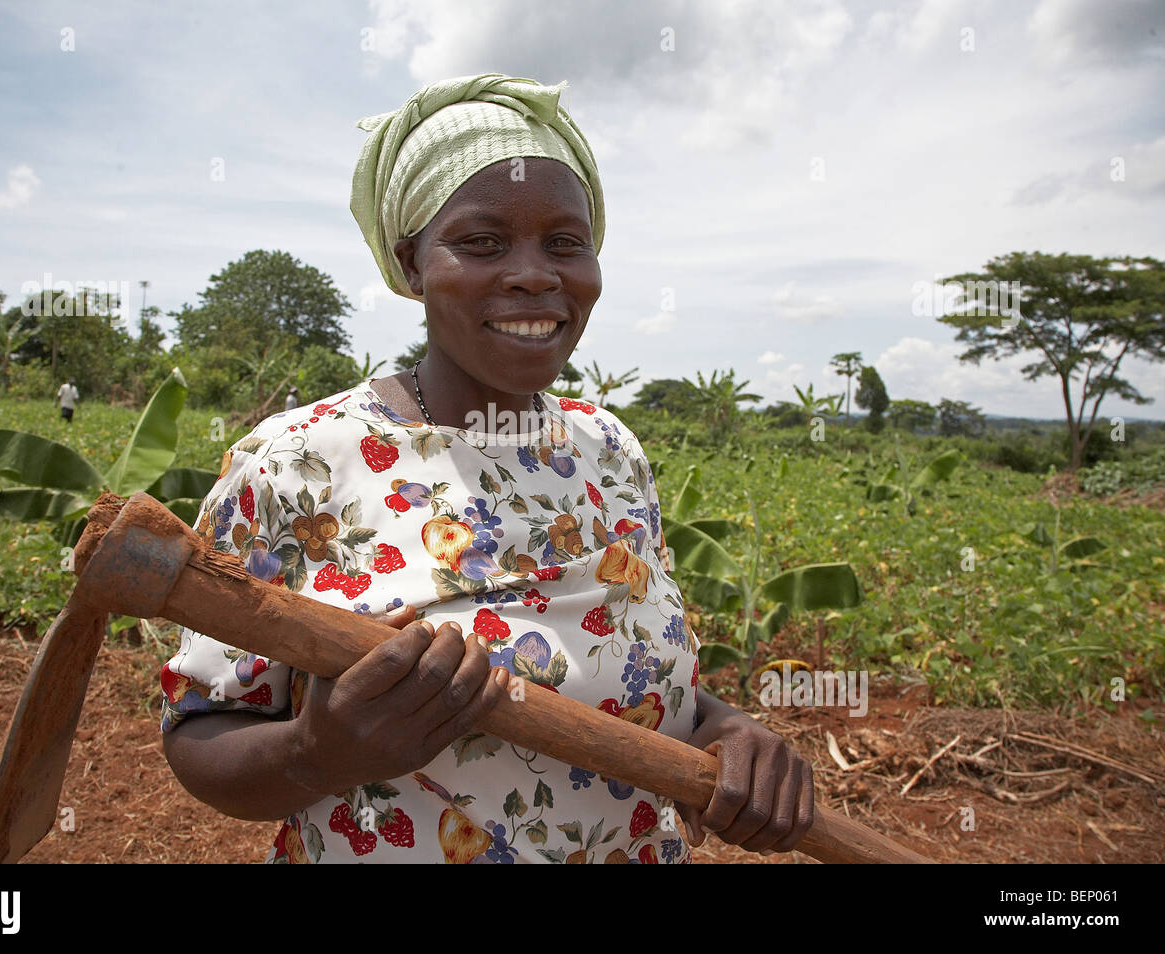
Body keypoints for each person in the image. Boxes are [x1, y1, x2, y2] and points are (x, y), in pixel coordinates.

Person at [160, 73, 813, 864]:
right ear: (411, 265)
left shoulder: (611, 450)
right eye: (482, 242)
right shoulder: (297, 462)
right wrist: (318, 753)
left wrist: (726, 728)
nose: (535, 273)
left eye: (566, 243)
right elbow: (202, 728)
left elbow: (623, 665)